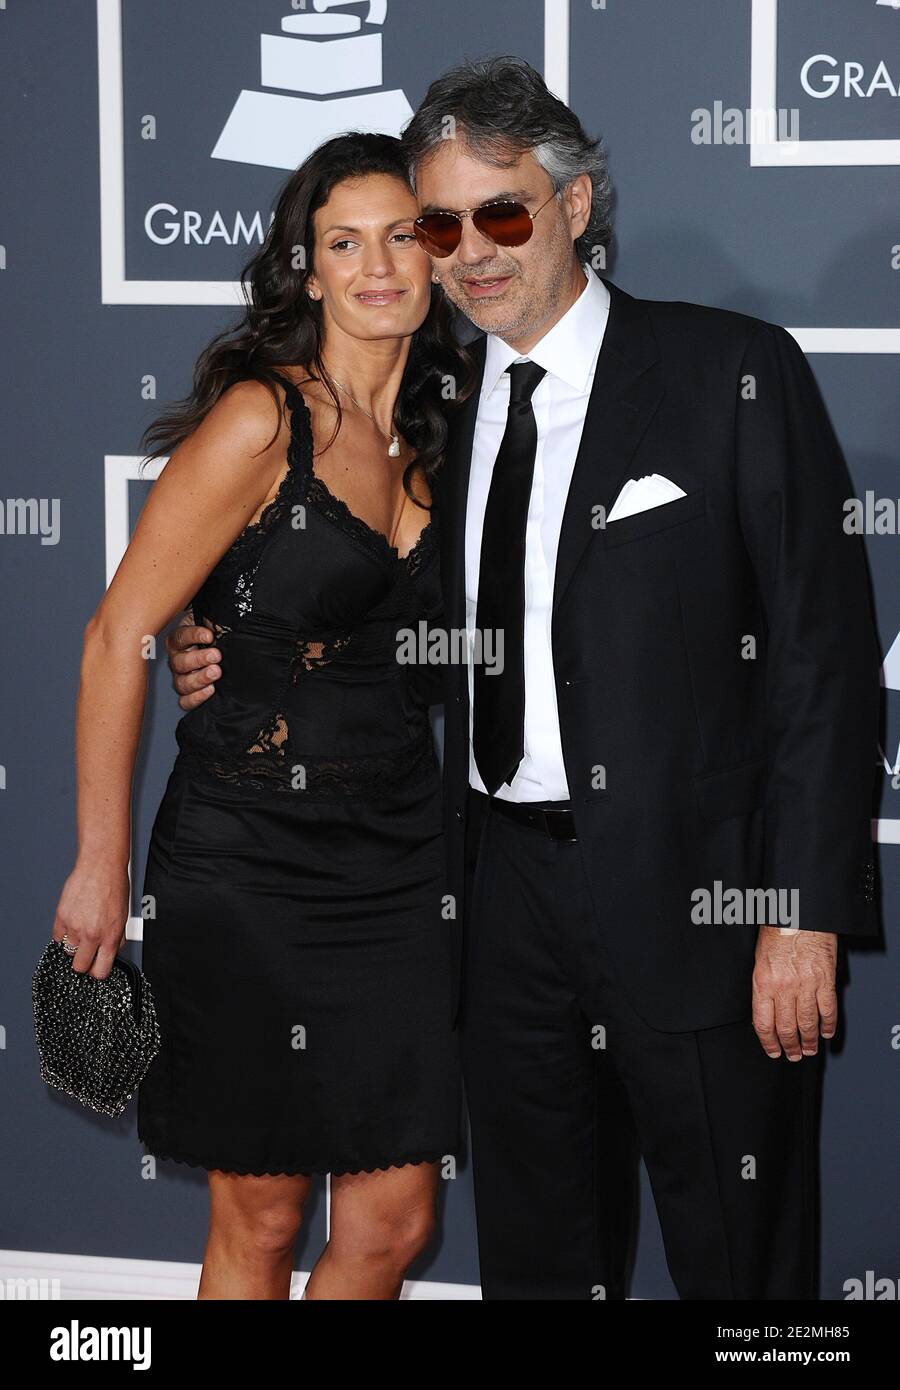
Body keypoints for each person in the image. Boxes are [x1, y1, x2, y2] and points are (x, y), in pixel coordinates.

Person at [170, 59, 881, 1299]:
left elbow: (821, 663)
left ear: (577, 205)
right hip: (497, 910)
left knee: (745, 1268)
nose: (468, 252)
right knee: (543, 1266)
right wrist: (219, 638)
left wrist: (801, 909)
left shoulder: (731, 372)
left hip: (704, 903)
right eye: (438, 224)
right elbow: (351, 589)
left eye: (502, 212)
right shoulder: (436, 408)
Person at [51, 132, 472, 1301]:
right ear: (308, 268)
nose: (379, 264)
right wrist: (100, 860)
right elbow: (114, 634)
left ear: (439, 254)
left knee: (393, 1223)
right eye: (346, 242)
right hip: (247, 864)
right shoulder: (262, 420)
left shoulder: (457, 429)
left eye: (405, 234)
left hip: (398, 867)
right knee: (266, 1213)